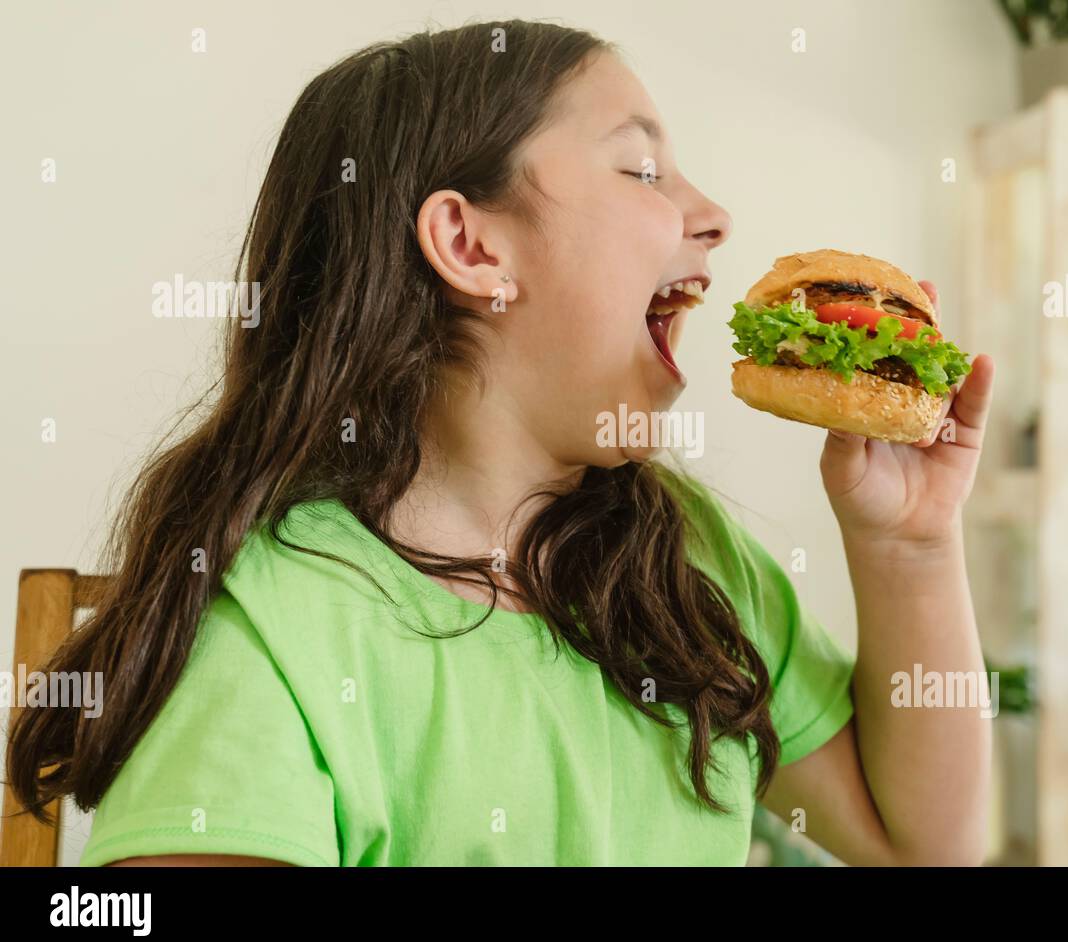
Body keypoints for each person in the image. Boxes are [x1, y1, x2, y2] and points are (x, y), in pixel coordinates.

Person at [6, 19, 995, 866]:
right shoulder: (279, 631)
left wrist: (908, 541)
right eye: (643, 167)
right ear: (473, 247)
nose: (714, 214)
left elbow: (919, 843)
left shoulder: (683, 565)